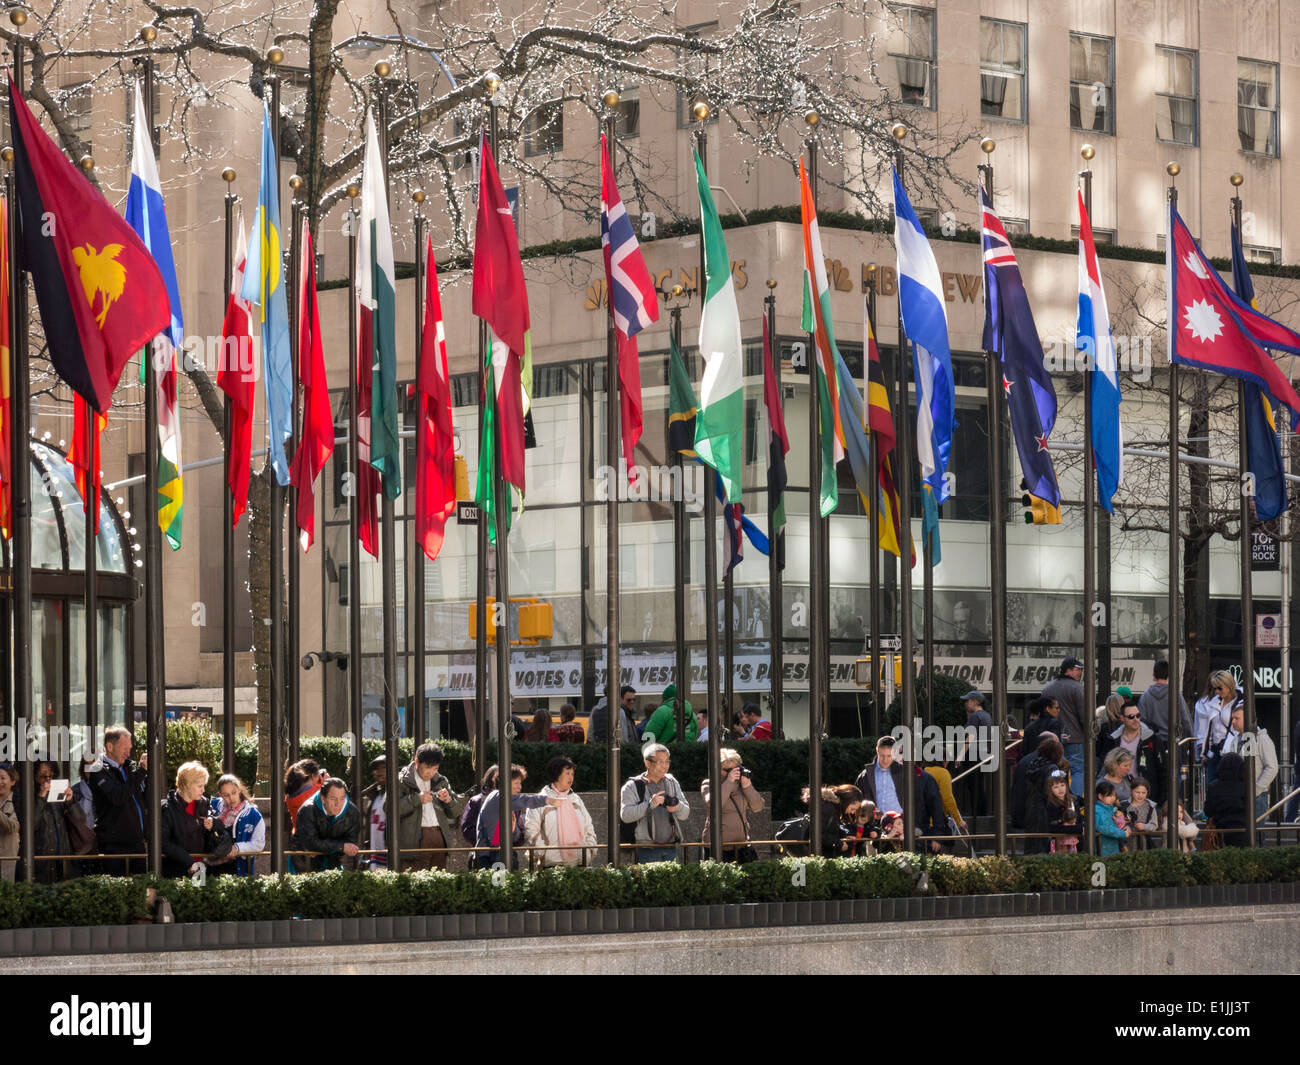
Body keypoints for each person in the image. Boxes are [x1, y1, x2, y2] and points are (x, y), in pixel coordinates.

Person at [87, 724, 149, 875]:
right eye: (125, 749)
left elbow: (146, 798)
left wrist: (147, 773)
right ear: (110, 746)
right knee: (117, 892)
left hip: (137, 843)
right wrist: (141, 772)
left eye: (130, 749)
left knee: (143, 890)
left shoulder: (130, 768)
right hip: (114, 846)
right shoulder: (98, 769)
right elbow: (117, 797)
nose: (128, 754)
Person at [397, 743, 466, 871]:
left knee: (438, 882)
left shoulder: (440, 780)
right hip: (414, 839)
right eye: (428, 767)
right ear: (416, 761)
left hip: (439, 837)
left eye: (435, 768)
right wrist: (417, 799)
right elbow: (389, 808)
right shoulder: (402, 780)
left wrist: (448, 800)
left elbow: (456, 812)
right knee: (414, 881)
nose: (431, 772)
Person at [619, 743, 691, 863]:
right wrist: (649, 804)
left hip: (671, 847)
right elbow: (625, 815)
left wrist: (678, 807)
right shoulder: (632, 786)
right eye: (660, 762)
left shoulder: (672, 782)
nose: (665, 766)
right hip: (645, 849)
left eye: (667, 762)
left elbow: (685, 814)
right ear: (647, 763)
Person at [476, 765, 558, 870]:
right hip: (490, 856)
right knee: (498, 884)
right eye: (516, 783)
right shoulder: (497, 797)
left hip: (503, 853)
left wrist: (514, 829)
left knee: (506, 884)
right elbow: (525, 800)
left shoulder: (509, 805)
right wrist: (547, 800)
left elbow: (516, 837)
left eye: (520, 783)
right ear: (505, 782)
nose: (520, 787)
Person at [160, 761, 231, 879]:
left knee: (200, 896)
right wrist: (189, 861)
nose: (203, 790)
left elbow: (219, 825)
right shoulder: (167, 808)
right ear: (186, 785)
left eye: (204, 785)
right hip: (176, 870)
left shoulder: (204, 803)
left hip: (202, 867)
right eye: (200, 786)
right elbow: (164, 843)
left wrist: (212, 823)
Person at [523, 756, 597, 867]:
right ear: (557, 774)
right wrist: (542, 854)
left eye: (572, 774)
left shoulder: (576, 799)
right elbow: (531, 829)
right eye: (567, 773)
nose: (571, 777)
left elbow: (589, 827)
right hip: (551, 865)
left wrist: (589, 850)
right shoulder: (540, 800)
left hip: (579, 862)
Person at [700, 748, 765, 861]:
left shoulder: (741, 784)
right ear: (717, 769)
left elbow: (758, 807)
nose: (732, 773)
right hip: (717, 847)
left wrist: (747, 787)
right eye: (728, 770)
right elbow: (713, 806)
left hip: (741, 846)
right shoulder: (708, 783)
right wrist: (729, 782)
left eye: (735, 769)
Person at [1219, 705, 1278, 821]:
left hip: (1257, 796)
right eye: (1232, 718)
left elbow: (1272, 767)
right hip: (1238, 794)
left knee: (1257, 834)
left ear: (1247, 719)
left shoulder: (1263, 739)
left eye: (1237, 718)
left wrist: (1257, 789)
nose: (1233, 722)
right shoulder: (1235, 740)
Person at [1098, 699, 1165, 802]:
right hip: (1119, 795)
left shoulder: (1152, 739)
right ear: (1122, 718)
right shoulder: (1113, 739)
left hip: (1146, 794)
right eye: (1131, 717)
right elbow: (1104, 765)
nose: (1136, 719)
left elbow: (1162, 769)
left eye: (1138, 716)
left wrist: (1162, 798)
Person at [1041, 656, 1088, 798]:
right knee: (1077, 769)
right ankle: (1076, 801)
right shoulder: (1077, 688)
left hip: (1053, 738)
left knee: (1054, 770)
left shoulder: (1048, 687)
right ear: (1068, 671)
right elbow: (1084, 715)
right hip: (1075, 738)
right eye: (1077, 669)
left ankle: (1057, 799)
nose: (1080, 672)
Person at [292, 777, 362, 871]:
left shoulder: (353, 813)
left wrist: (322, 847)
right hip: (303, 863)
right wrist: (341, 846)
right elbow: (311, 842)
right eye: (333, 799)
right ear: (323, 798)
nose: (338, 804)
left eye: (342, 798)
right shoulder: (307, 809)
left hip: (333, 863)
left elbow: (350, 843)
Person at [208, 773, 265, 876]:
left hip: (236, 869)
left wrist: (238, 847)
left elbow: (259, 844)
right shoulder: (213, 806)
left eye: (234, 792)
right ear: (220, 794)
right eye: (226, 795)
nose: (231, 798)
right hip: (209, 865)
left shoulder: (253, 815)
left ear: (239, 789)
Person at [1021, 738, 1068, 854]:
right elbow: (1053, 792)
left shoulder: (1034, 765)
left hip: (1032, 808)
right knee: (1045, 846)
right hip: (1046, 811)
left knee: (1033, 846)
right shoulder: (1052, 768)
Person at [1200, 671, 1242, 789]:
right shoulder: (1214, 701)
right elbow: (1209, 729)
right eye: (1215, 688)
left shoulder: (1240, 702)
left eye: (1219, 688)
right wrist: (1205, 752)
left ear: (1229, 686)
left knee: (1227, 786)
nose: (1217, 691)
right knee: (1211, 786)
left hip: (1230, 750)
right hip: (1214, 750)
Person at [1137, 658, 1192, 747]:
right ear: (1168, 675)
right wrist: (1190, 740)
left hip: (1153, 743)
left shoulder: (1145, 696)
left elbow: (1141, 721)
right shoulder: (1176, 695)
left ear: (1154, 675)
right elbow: (1185, 720)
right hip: (1174, 743)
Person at [33, 761, 72, 883]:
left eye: (51, 776)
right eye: (43, 776)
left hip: (62, 856)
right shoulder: (26, 795)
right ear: (34, 776)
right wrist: (41, 797)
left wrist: (70, 801)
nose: (48, 780)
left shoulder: (58, 795)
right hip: (41, 857)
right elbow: (31, 824)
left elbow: (81, 819)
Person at [956, 690, 992, 816]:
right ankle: (982, 814)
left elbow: (970, 738)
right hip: (983, 755)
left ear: (975, 702)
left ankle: (978, 816)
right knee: (979, 786)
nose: (965, 703)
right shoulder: (986, 716)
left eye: (967, 701)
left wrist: (960, 756)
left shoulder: (975, 716)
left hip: (973, 755)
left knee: (974, 787)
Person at [1204, 752, 1249, 848]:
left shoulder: (1213, 786)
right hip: (1242, 830)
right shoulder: (1246, 787)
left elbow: (1208, 811)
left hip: (1220, 830)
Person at [854, 736, 906, 817]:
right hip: (874, 822)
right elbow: (856, 800)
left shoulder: (903, 772)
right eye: (882, 756)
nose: (885, 760)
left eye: (889, 756)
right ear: (877, 751)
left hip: (900, 823)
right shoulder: (865, 775)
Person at [357, 755, 388, 870]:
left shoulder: (397, 794)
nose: (379, 772)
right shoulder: (374, 794)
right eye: (376, 769)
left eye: (384, 768)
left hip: (391, 855)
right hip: (374, 855)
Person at [817, 784, 862, 858]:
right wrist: (839, 844)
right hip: (815, 857)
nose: (853, 812)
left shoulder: (833, 808)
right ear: (847, 801)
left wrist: (844, 835)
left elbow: (830, 830)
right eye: (852, 809)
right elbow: (819, 834)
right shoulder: (829, 808)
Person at [1044, 769, 1082, 853]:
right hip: (1058, 843)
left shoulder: (1074, 800)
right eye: (1056, 787)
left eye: (1062, 785)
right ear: (1050, 790)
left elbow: (1079, 820)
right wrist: (1077, 829)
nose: (1060, 789)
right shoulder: (1051, 805)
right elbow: (1054, 827)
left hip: (1074, 842)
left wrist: (1080, 827)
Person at [284, 758, 324, 834]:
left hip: (298, 836)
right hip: (316, 839)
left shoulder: (289, 794)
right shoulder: (318, 791)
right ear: (312, 776)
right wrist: (327, 782)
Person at [1094, 780, 1131, 856]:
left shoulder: (1110, 809)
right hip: (1102, 848)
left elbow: (1114, 826)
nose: (1113, 798)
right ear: (1100, 796)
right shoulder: (1097, 810)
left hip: (1112, 846)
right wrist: (1122, 833)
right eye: (1109, 795)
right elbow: (1104, 828)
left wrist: (1123, 827)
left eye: (1114, 795)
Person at [1124, 778, 1160, 850]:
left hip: (1144, 843)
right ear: (1131, 791)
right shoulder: (1124, 805)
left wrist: (1144, 826)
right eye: (1137, 792)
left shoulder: (1151, 806)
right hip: (1126, 842)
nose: (1140, 795)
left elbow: (1154, 825)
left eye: (1143, 793)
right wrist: (1124, 826)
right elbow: (1117, 822)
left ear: (1147, 792)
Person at [0, 763, 18, 882]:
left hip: (8, 859)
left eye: (2, 778)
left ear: (12, 781)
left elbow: (12, 827)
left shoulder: (17, 801)